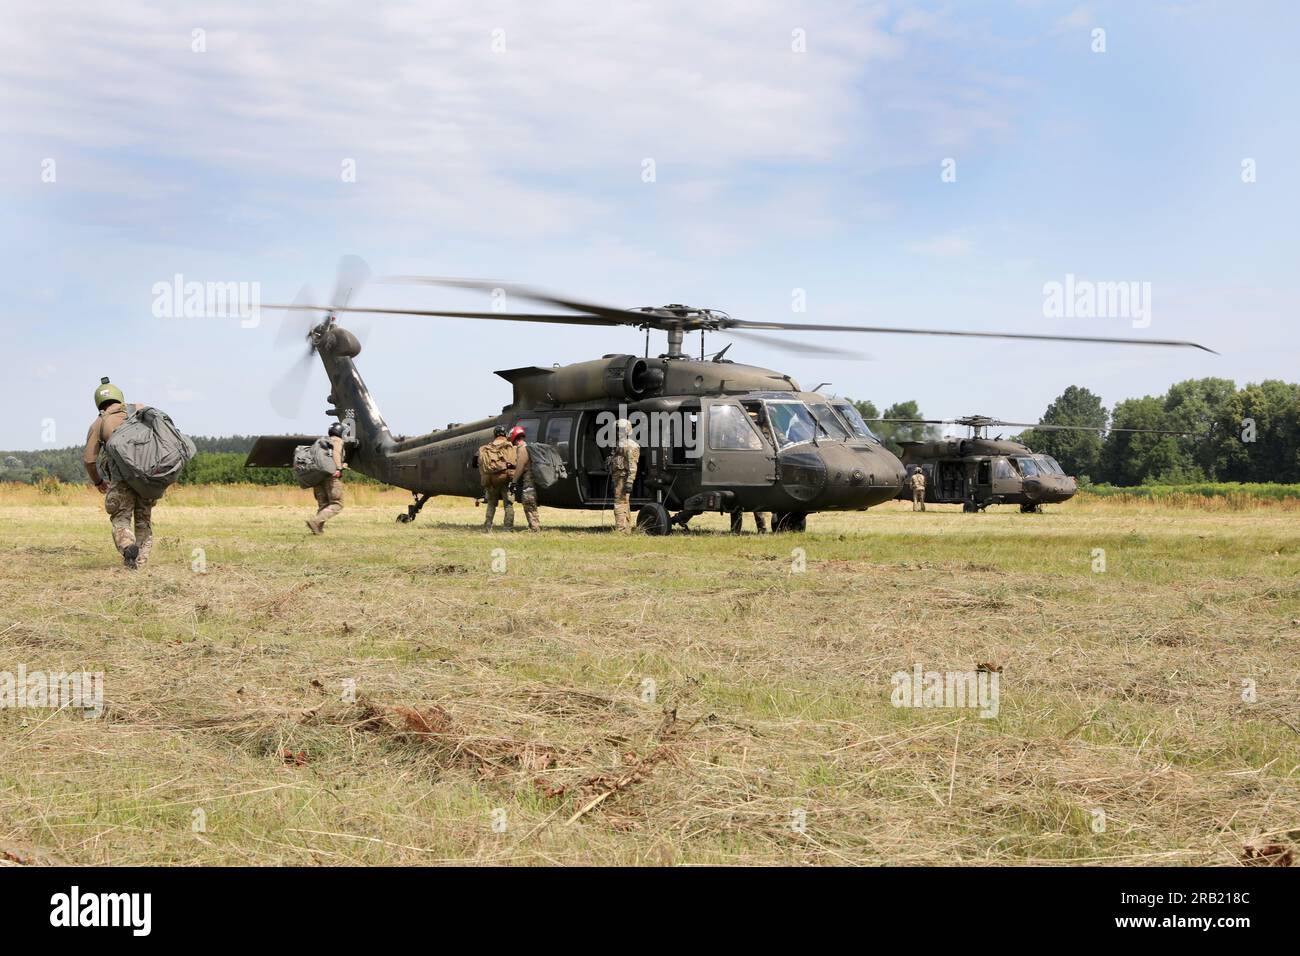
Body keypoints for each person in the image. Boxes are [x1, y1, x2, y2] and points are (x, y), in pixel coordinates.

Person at [83, 378, 156, 569]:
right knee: (143, 521)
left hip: (122, 480)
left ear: (99, 402)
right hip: (147, 478)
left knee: (120, 518)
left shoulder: (99, 422)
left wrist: (98, 481)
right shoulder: (139, 412)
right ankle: (140, 564)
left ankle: (127, 546)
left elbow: (89, 461)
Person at [306, 423, 347, 534]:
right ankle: (315, 522)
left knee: (324, 504)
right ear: (340, 432)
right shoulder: (337, 441)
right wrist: (339, 468)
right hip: (331, 476)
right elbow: (336, 453)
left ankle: (317, 529)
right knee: (337, 504)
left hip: (317, 476)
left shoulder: (320, 442)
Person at [479, 425, 516, 531]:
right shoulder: (508, 446)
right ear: (505, 434)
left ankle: (487, 526)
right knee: (508, 505)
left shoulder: (486, 448)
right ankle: (507, 528)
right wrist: (513, 481)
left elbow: (481, 466)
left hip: (490, 481)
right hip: (504, 479)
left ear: (495, 435)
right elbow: (512, 464)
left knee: (491, 504)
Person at [608, 418, 640, 533]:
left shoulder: (630, 446)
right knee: (624, 503)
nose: (619, 433)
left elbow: (633, 465)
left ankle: (621, 530)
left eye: (621, 430)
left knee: (620, 503)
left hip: (623, 478)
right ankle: (626, 528)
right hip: (618, 478)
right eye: (617, 430)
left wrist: (630, 481)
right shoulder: (618, 446)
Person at [510, 425, 541, 531]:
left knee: (528, 503)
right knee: (530, 504)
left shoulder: (522, 448)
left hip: (528, 483)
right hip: (531, 482)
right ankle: (534, 526)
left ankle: (534, 527)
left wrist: (513, 482)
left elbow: (520, 467)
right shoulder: (526, 447)